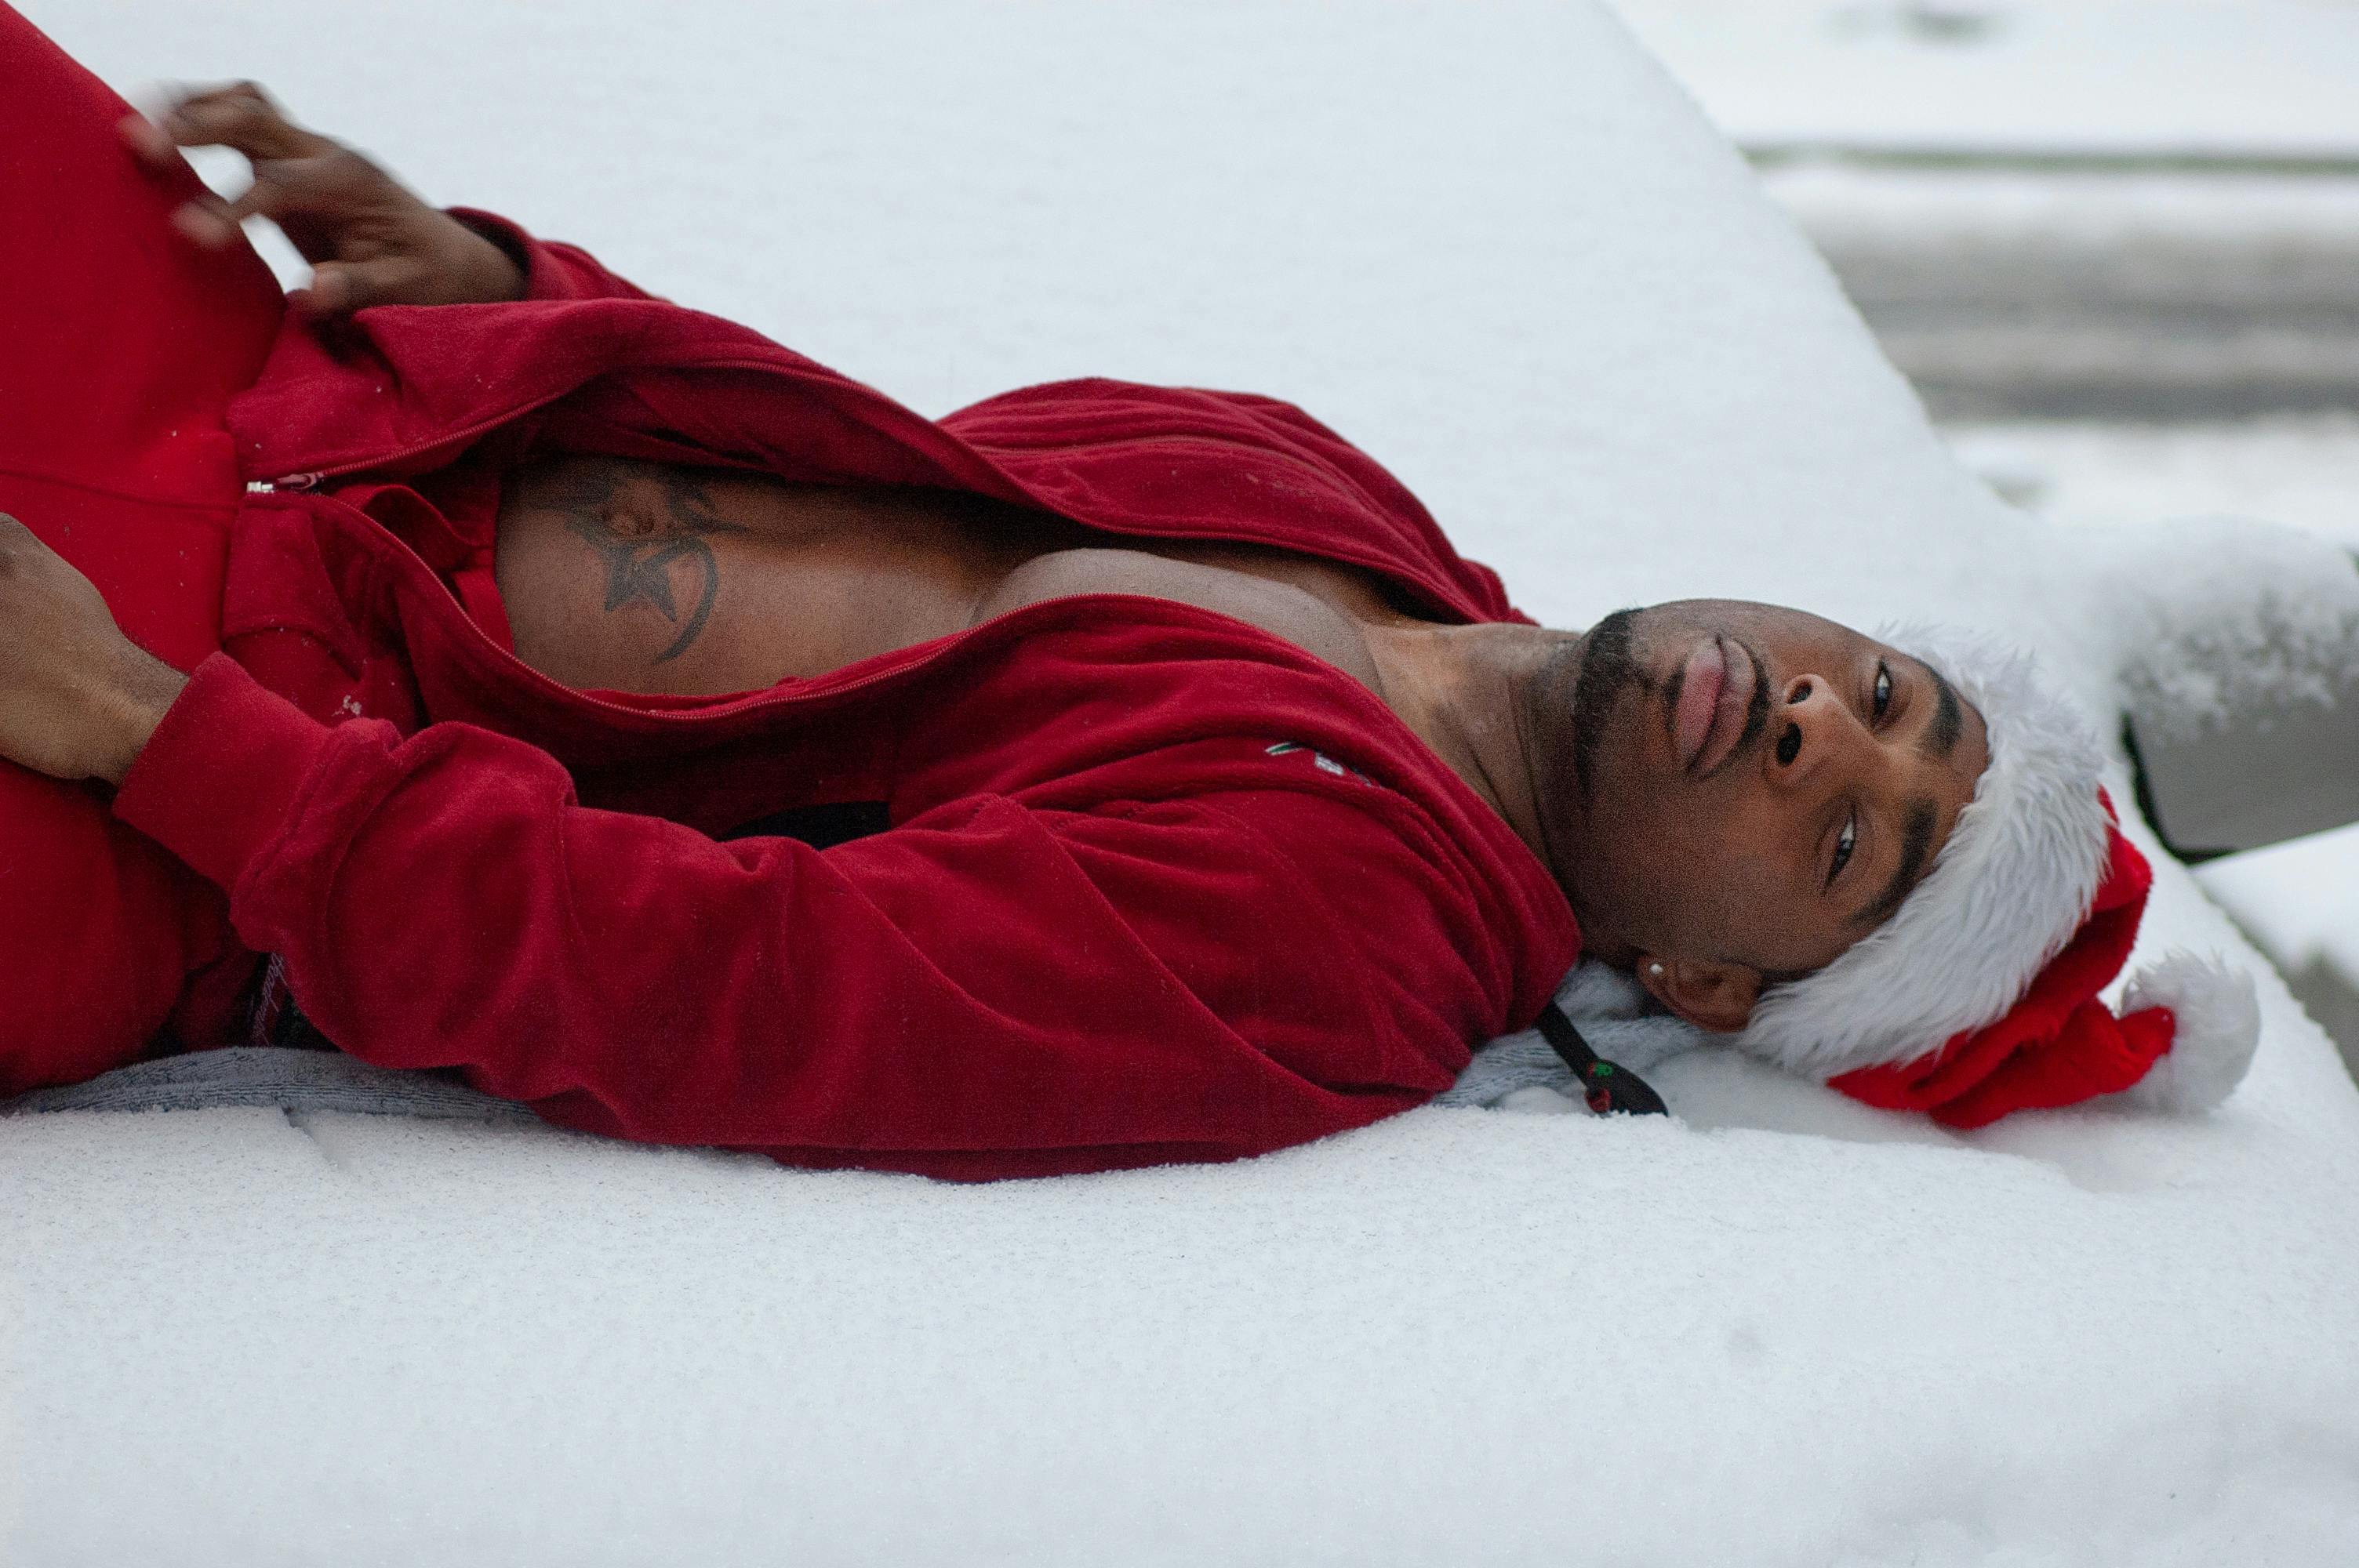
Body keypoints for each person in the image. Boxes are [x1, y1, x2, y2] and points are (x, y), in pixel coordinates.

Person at [0, 8, 2253, 1178]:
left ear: (1711, 984)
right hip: (305, 407)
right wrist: (504, 283)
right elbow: (859, 468)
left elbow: (736, 994)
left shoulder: (1338, 944)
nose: (1819, 729)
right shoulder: (1338, 499)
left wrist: (149, 735)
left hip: (180, 762)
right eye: (1889, 697)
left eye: (1845, 841)